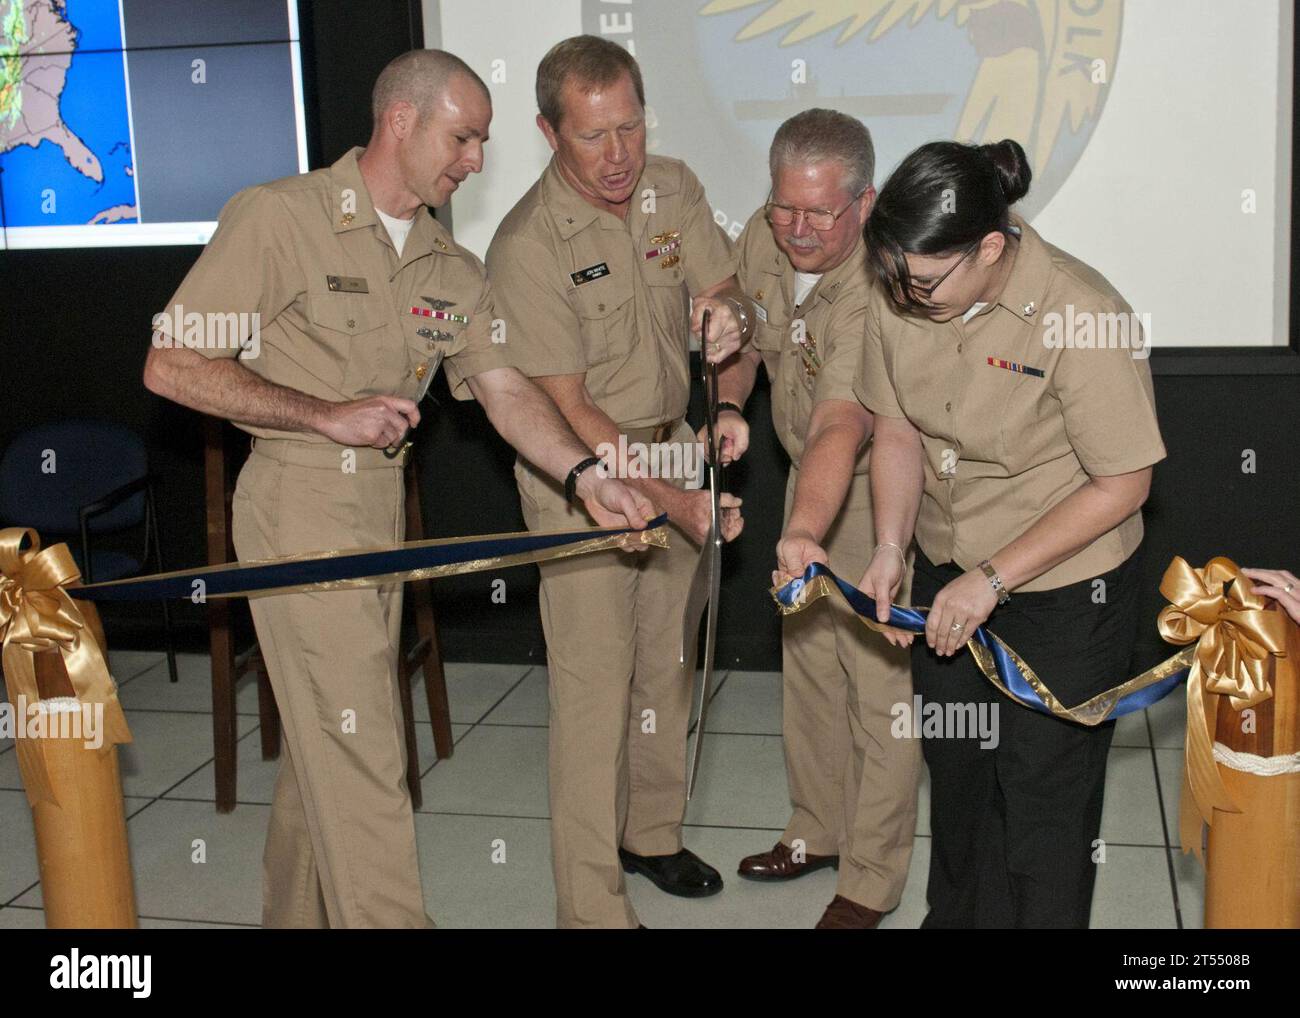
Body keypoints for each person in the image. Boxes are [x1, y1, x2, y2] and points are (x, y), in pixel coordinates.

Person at [142, 49, 651, 928]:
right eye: (463, 138)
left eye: (485, 142)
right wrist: (321, 414)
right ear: (401, 121)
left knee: (327, 747)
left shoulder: (451, 266)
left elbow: (502, 387)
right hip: (299, 512)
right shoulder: (281, 218)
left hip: (378, 521)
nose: (476, 162)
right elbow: (172, 363)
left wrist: (584, 474)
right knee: (371, 759)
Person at [854, 139, 1166, 928]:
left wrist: (995, 578)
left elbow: (1125, 482)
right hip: (947, 571)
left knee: (1043, 801)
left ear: (990, 249)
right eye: (895, 274)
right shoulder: (904, 289)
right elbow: (895, 424)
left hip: (1065, 590)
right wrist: (891, 545)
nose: (904, 293)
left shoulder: (1082, 314)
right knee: (959, 775)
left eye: (923, 280)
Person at [485, 35, 752, 929]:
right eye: (594, 137)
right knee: (594, 696)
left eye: (631, 128)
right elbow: (567, 408)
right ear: (548, 132)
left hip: (672, 442)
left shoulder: (671, 187)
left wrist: (729, 341)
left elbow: (730, 294)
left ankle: (653, 834)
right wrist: (683, 506)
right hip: (582, 475)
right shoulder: (527, 242)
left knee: (667, 666)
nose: (619, 156)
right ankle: (591, 907)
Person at [709, 110, 919, 929]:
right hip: (807, 480)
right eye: (782, 209)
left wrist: (804, 529)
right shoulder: (770, 236)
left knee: (878, 692)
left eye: (817, 215)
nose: (794, 231)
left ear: (864, 203)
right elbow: (749, 334)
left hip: (868, 490)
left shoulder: (883, 284)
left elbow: (842, 420)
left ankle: (871, 877)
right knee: (809, 673)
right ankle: (815, 830)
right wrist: (729, 400)